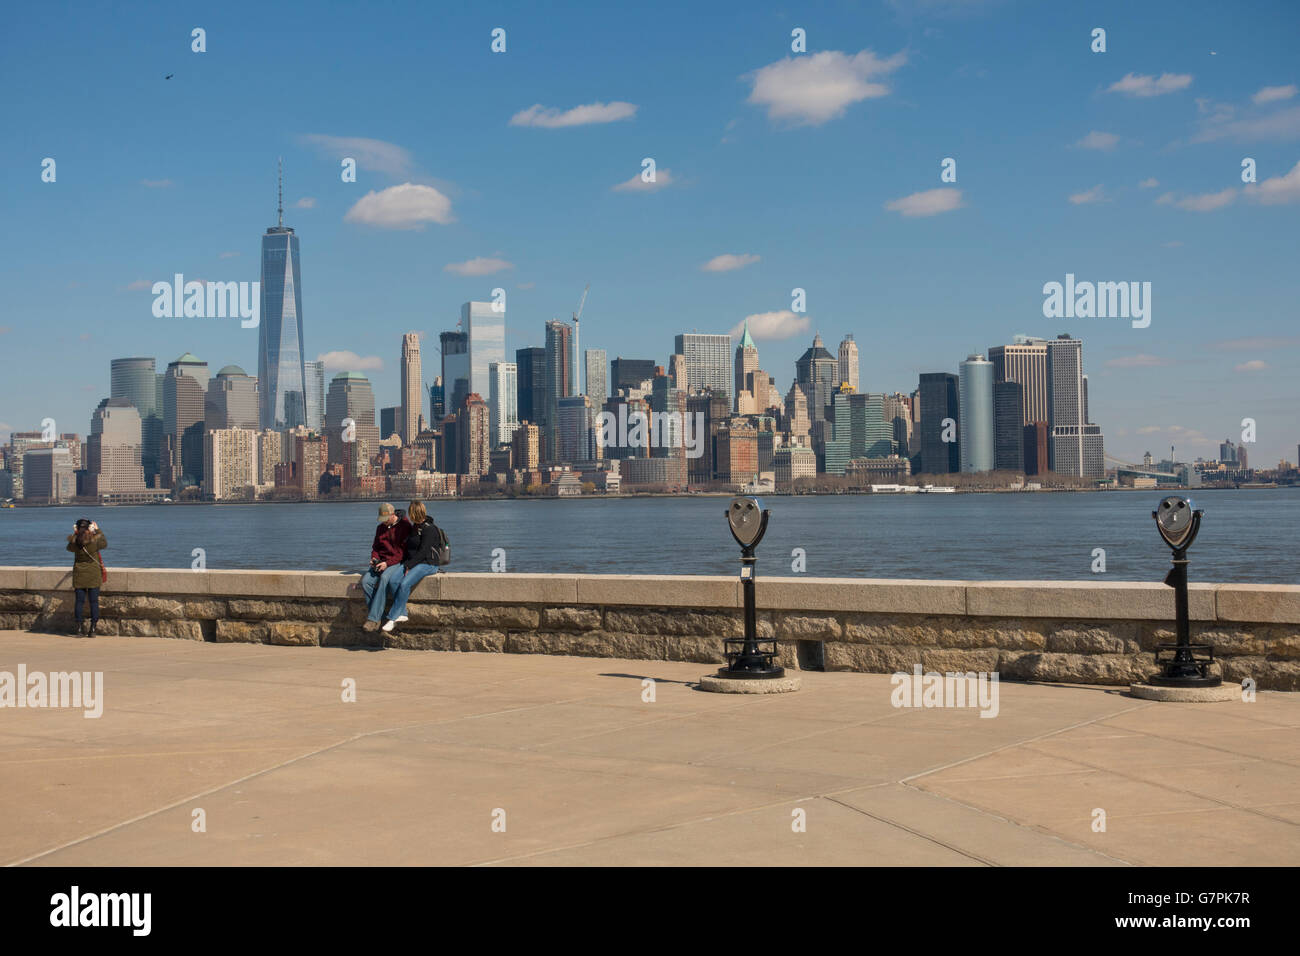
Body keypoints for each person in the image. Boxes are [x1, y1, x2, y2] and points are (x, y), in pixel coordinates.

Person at [382, 500, 443, 633]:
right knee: (393, 581)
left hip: (428, 563)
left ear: (414, 513)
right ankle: (402, 613)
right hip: (413, 562)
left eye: (410, 512)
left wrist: (409, 566)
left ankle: (392, 618)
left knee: (404, 584)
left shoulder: (429, 529)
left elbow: (423, 552)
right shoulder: (415, 527)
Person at [360, 503, 411, 632]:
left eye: (385, 519)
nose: (383, 523)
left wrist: (387, 564)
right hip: (381, 561)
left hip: (396, 562)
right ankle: (379, 617)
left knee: (384, 579)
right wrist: (374, 558)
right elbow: (375, 547)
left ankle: (373, 619)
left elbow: (402, 553)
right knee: (366, 582)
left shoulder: (405, 527)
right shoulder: (380, 528)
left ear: (392, 515)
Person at [66, 518, 106, 637]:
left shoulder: (75, 542)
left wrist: (75, 533)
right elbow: (104, 543)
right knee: (94, 602)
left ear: (77, 529)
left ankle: (79, 628)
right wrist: (97, 530)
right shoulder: (94, 541)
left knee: (79, 602)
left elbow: (69, 548)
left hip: (79, 575)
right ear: (89, 528)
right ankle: (92, 629)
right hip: (93, 574)